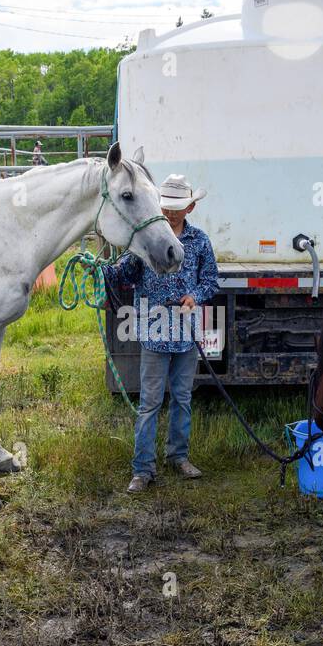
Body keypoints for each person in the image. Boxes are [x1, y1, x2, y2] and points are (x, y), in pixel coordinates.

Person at [104, 174, 219, 493]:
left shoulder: (200, 241)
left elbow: (211, 280)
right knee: (150, 403)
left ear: (190, 207)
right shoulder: (148, 238)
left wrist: (195, 295)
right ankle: (142, 469)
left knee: (182, 399)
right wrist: (107, 270)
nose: (170, 213)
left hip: (186, 334)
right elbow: (124, 274)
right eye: (166, 206)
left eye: (177, 207)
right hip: (154, 333)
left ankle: (178, 456)